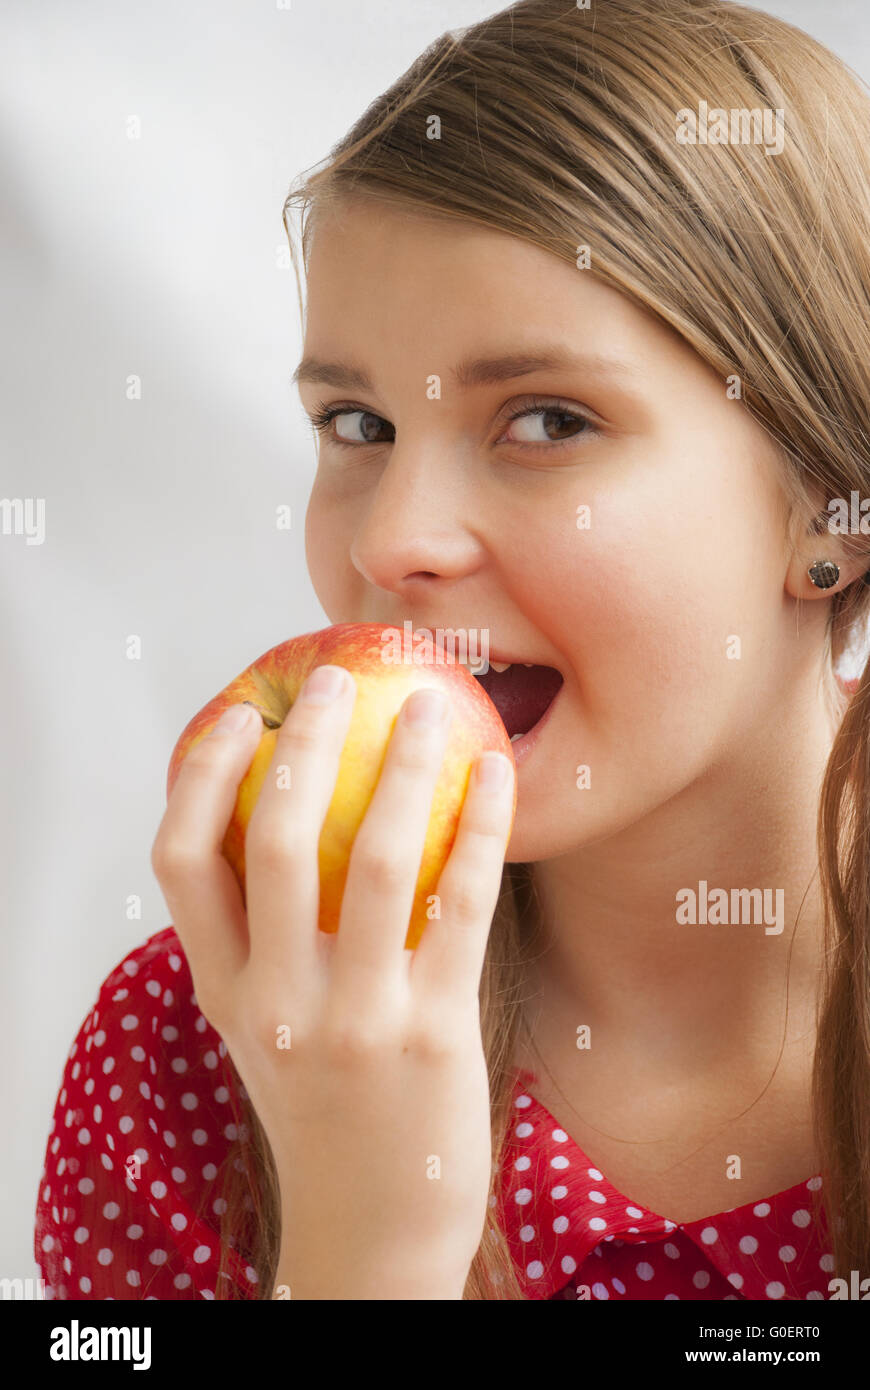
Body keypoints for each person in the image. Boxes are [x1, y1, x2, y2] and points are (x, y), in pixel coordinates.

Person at [35, 0, 870, 1299]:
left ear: (829, 507)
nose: (395, 541)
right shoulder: (196, 1049)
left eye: (545, 419)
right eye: (357, 424)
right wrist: (365, 1256)